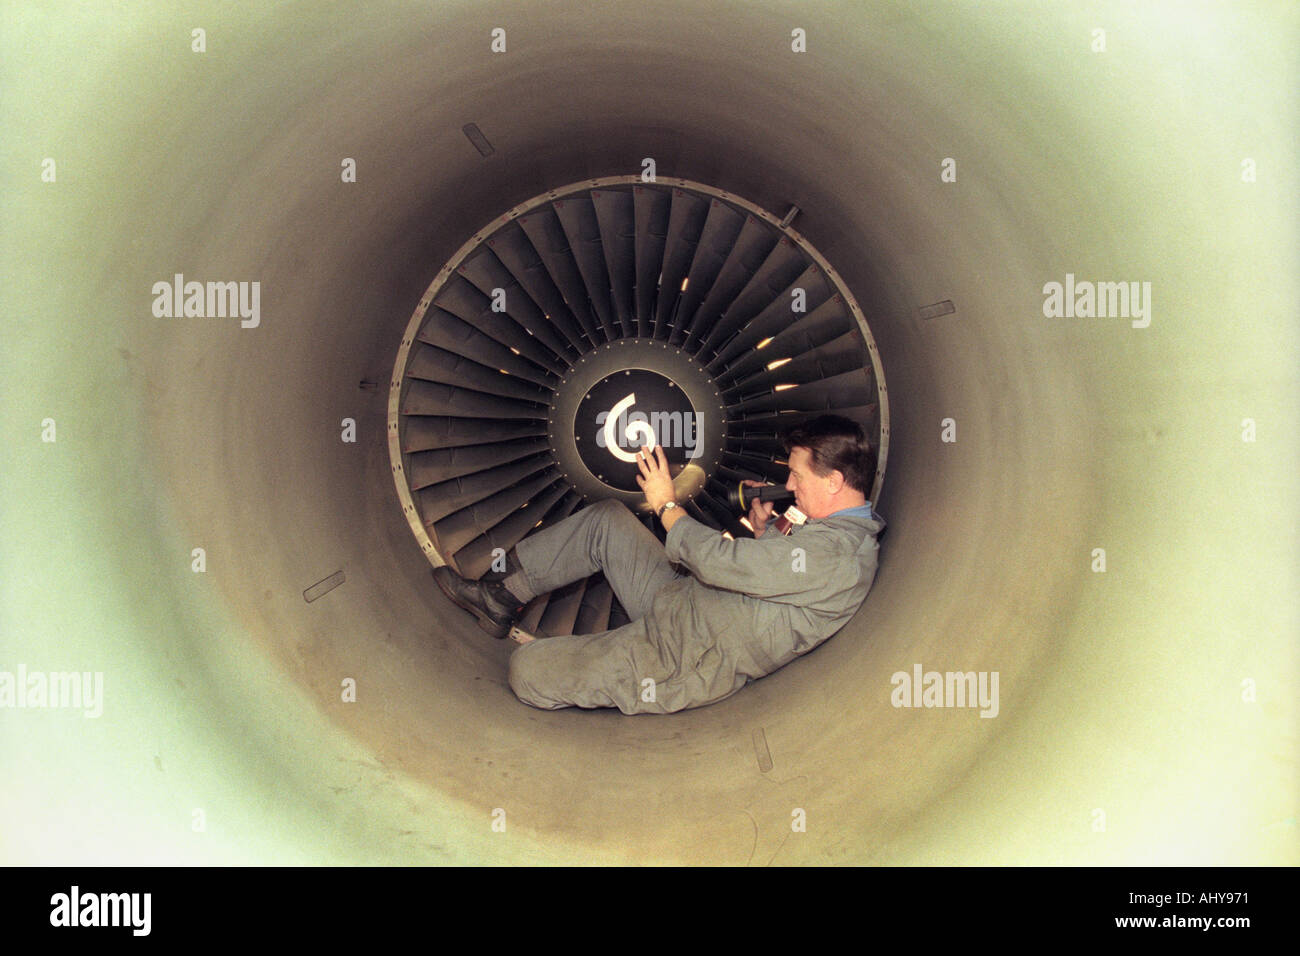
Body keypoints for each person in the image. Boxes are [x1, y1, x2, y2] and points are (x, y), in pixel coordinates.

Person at [432, 414, 886, 714]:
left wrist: (668, 506)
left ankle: (609, 657)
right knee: (606, 522)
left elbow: (721, 563)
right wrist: (762, 528)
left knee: (527, 672)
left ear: (834, 482)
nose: (788, 484)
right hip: (682, 602)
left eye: (797, 476)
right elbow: (774, 576)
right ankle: (500, 597)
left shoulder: (837, 555)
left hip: (685, 657)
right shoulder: (830, 533)